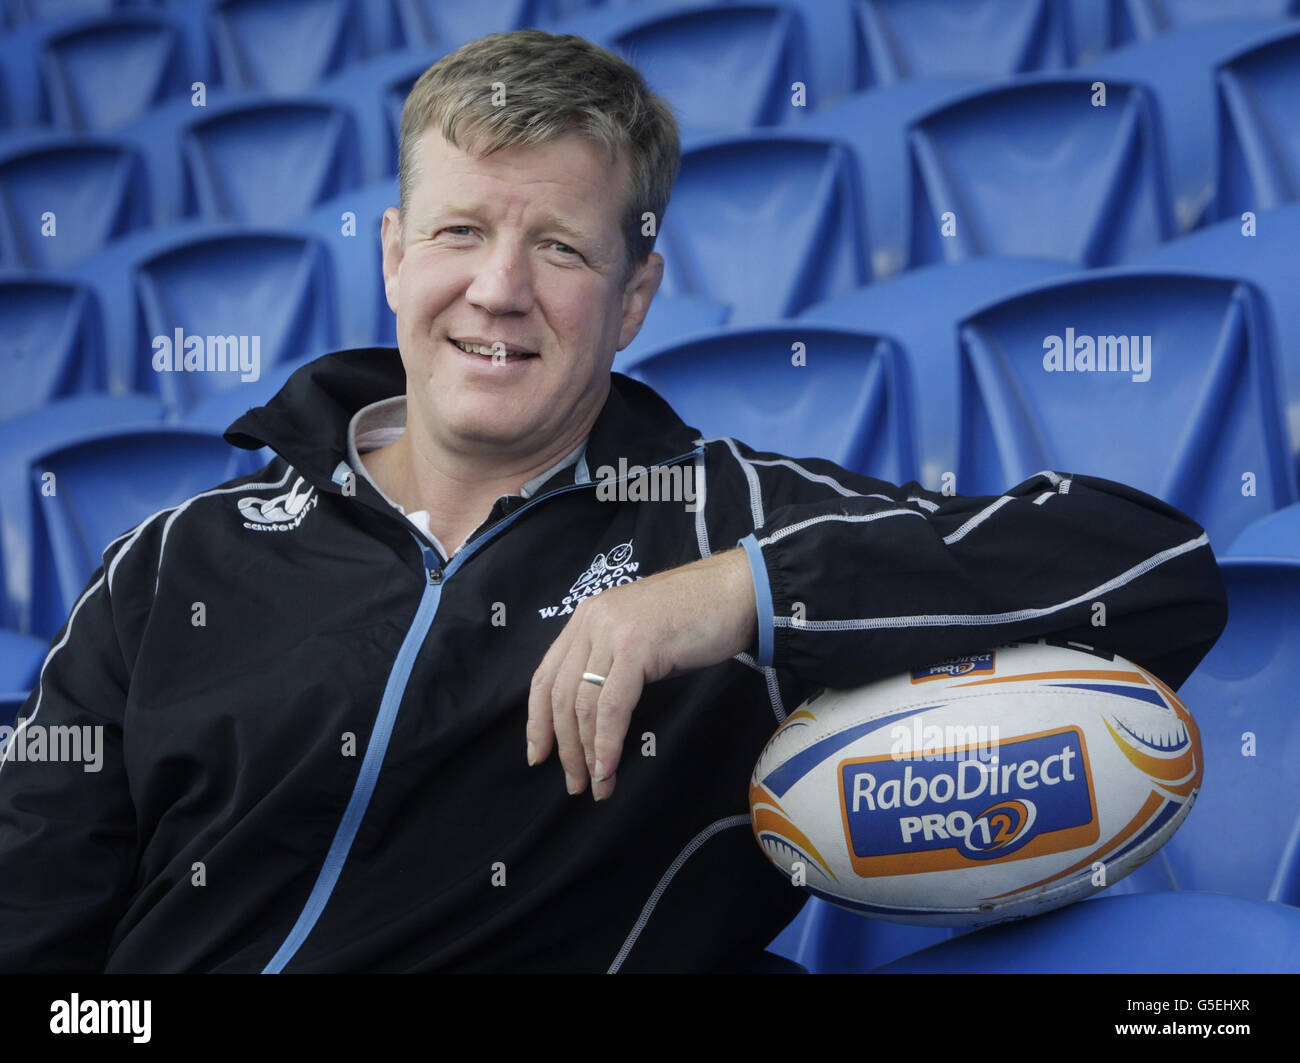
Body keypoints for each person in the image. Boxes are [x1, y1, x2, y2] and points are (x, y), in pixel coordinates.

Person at [0, 30, 1226, 973]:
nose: (496, 288)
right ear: (391, 254)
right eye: (459, 230)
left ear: (636, 295)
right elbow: (36, 902)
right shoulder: (176, 563)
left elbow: (1156, 573)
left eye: (561, 250)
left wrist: (730, 596)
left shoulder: (722, 515)